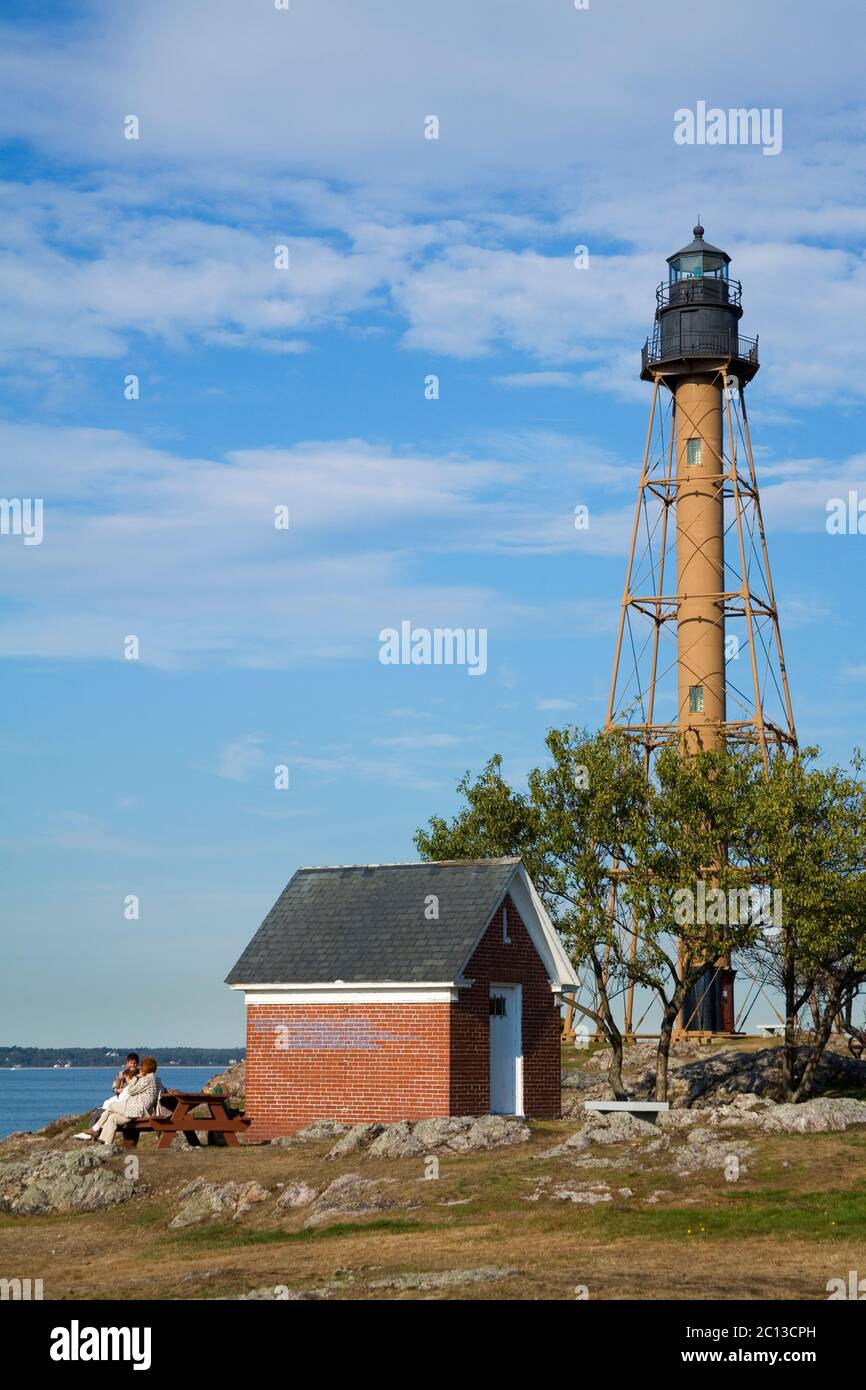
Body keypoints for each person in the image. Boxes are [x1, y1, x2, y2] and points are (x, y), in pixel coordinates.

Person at [75, 1056, 163, 1147]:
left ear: (145, 1067)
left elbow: (131, 1090)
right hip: (136, 1111)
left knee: (112, 1106)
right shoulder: (155, 1079)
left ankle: (95, 1129)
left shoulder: (148, 1078)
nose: (140, 1068)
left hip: (138, 1110)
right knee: (112, 1118)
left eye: (142, 1066)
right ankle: (106, 1144)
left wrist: (136, 1077)